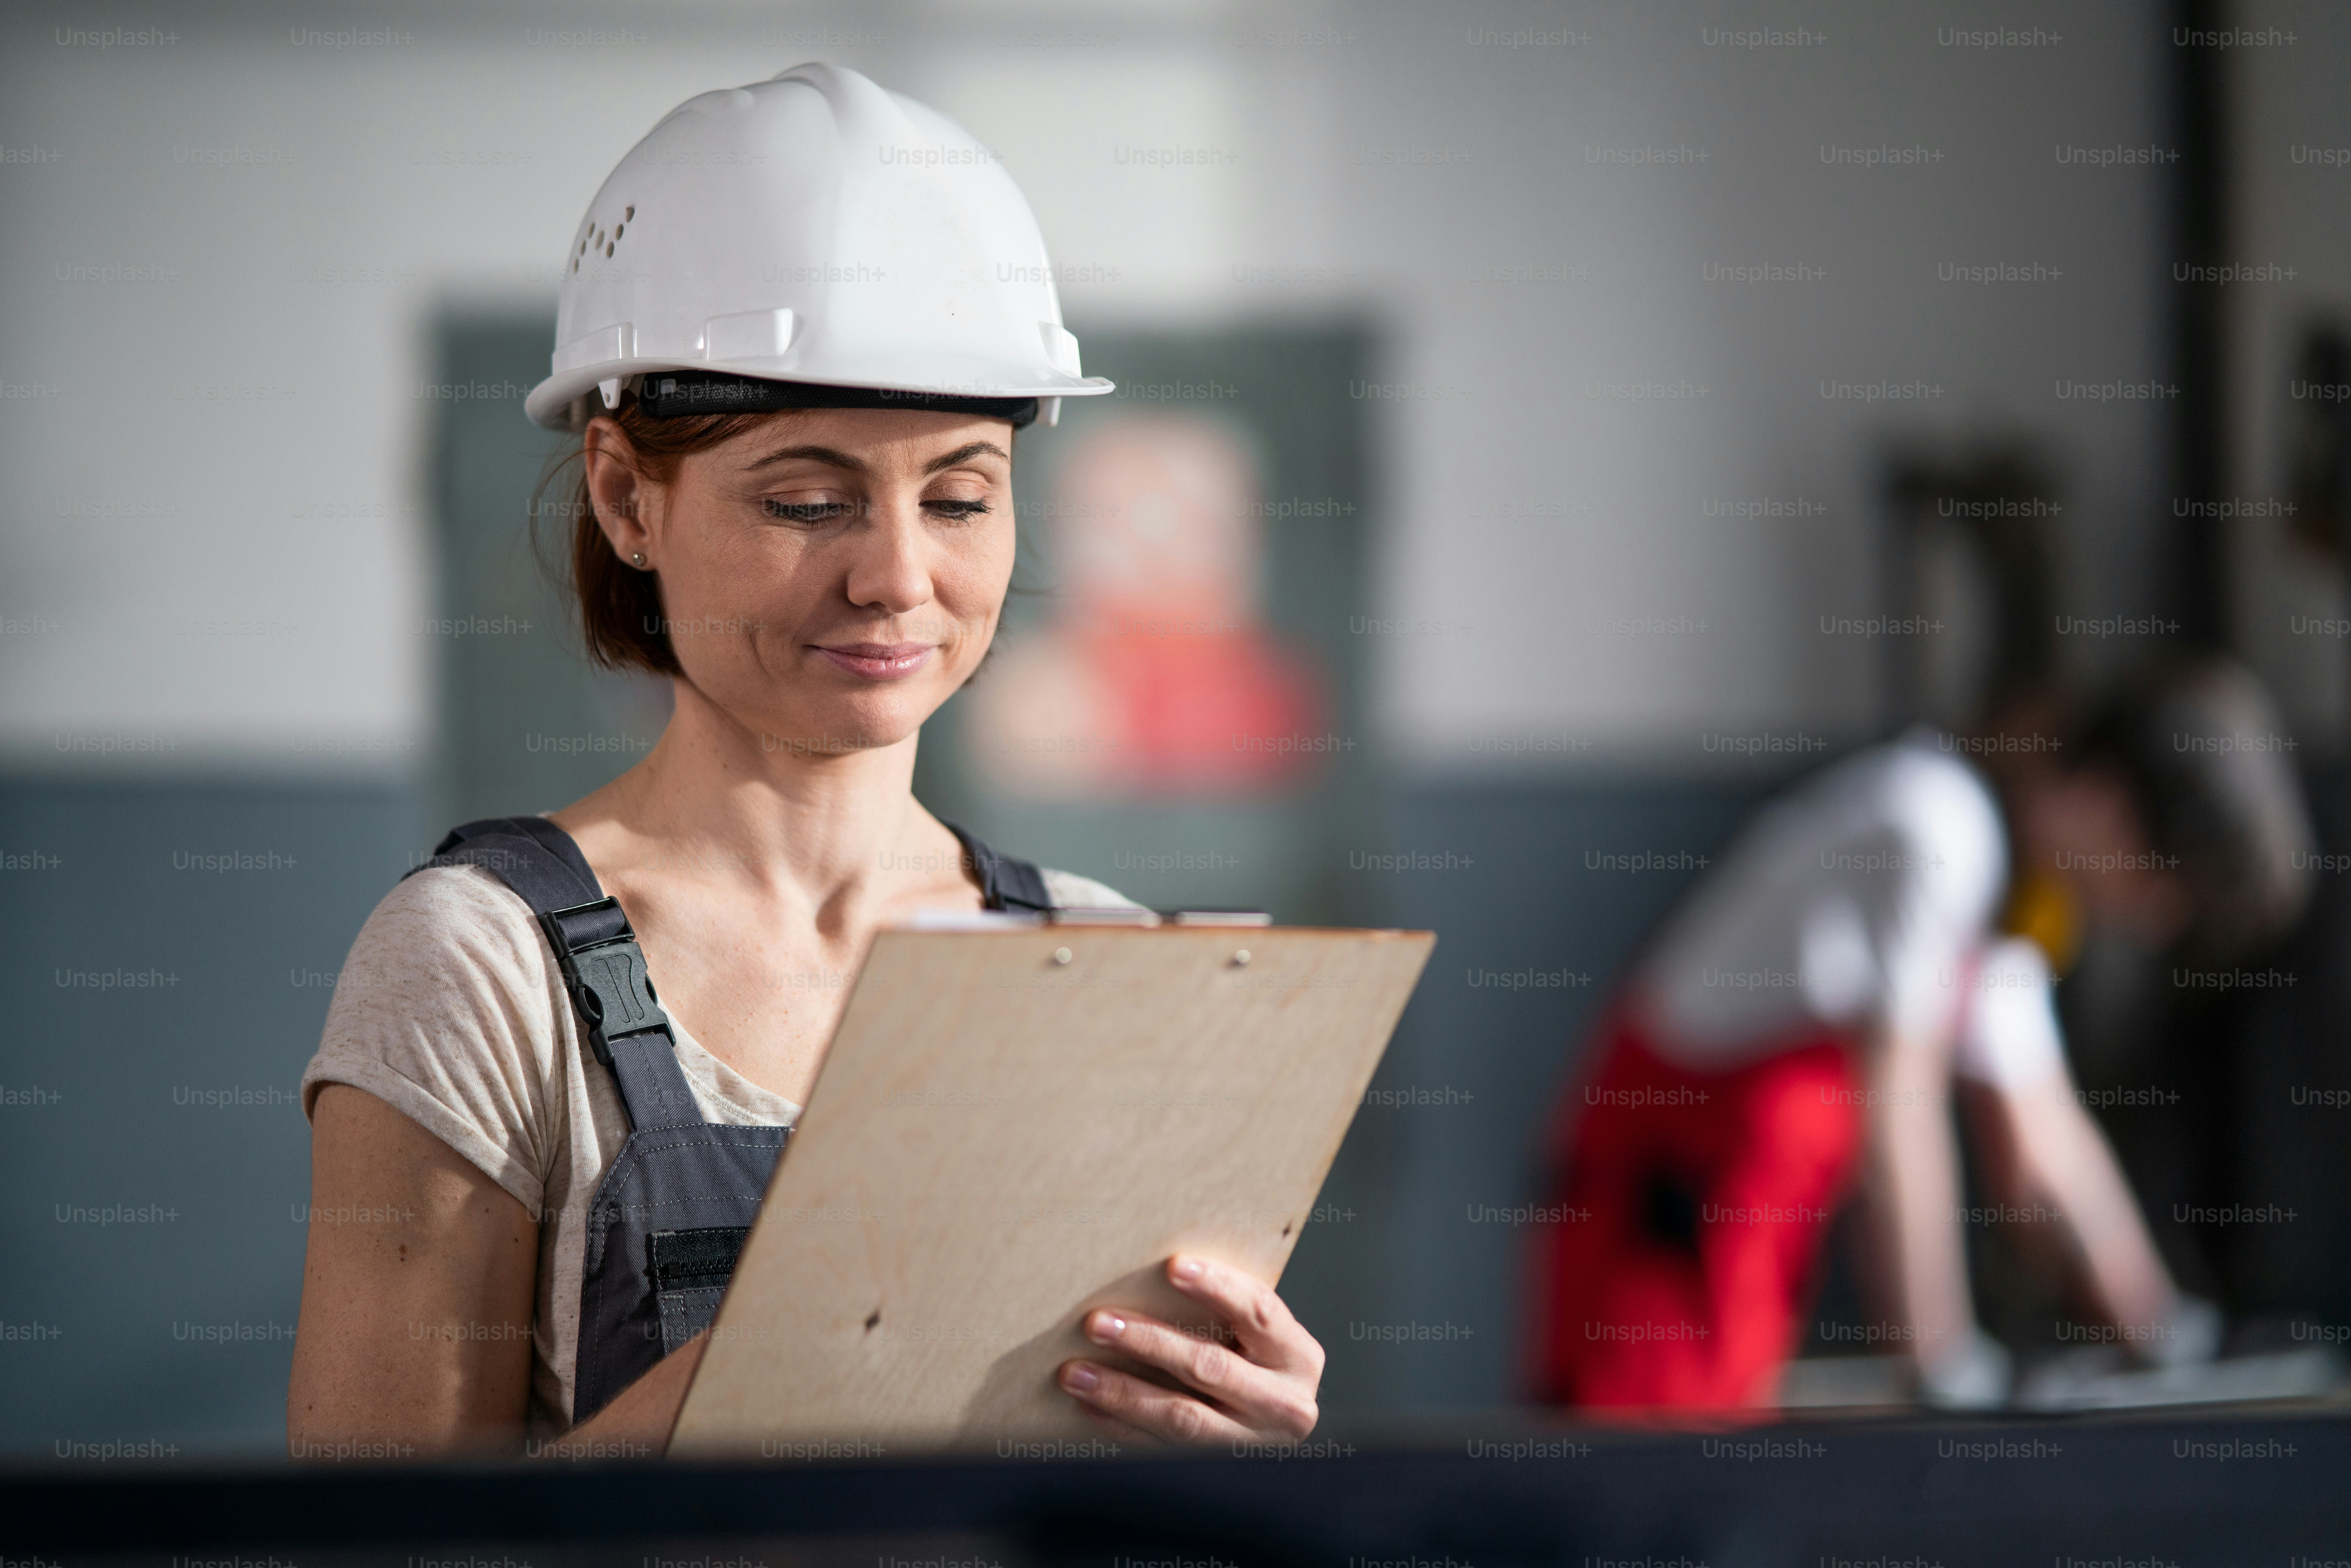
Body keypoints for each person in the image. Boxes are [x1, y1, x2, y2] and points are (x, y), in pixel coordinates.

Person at [288, 64, 1326, 1457]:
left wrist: (1234, 1460)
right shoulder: (481, 966)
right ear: (624, 496)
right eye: (806, 501)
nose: (899, 577)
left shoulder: (1107, 962)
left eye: (959, 496)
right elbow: (365, 1550)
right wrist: (755, 1398)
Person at [1525, 659, 2316, 1412]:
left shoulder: (2009, 900)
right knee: (1629, 1481)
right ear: (2106, 800)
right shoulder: (1934, 825)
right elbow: (1899, 1113)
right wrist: (1939, 1361)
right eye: (2160, 883)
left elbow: (2046, 1150)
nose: (2148, 920)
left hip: (1747, 1229)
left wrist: (2164, 1336)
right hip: (1659, 1200)